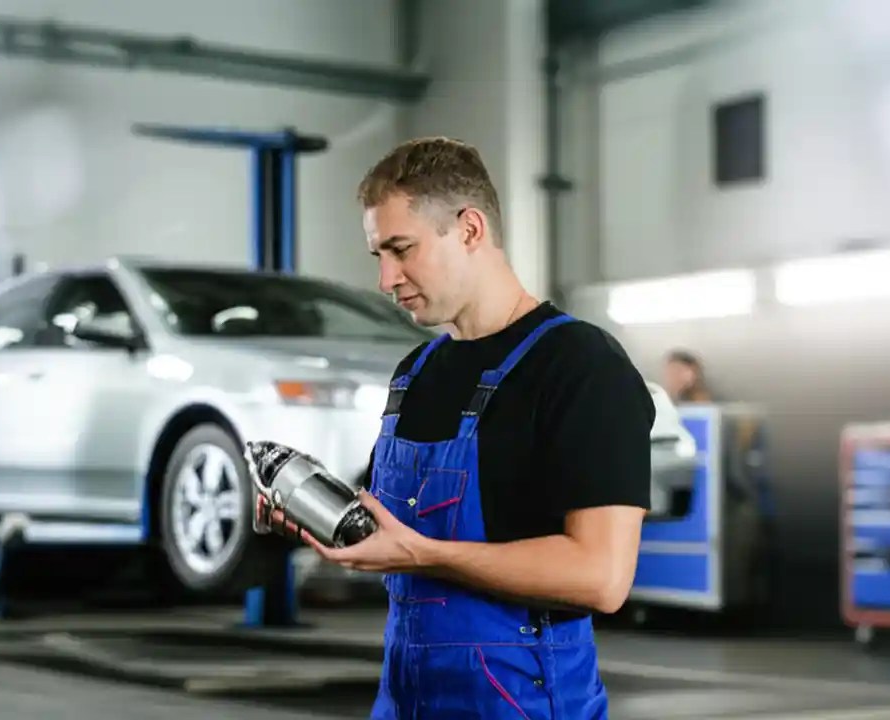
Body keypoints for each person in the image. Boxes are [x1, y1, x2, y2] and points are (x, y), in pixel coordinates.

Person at [261, 137, 654, 719]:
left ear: (469, 229)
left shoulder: (580, 364)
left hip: (524, 703)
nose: (386, 279)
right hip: (405, 699)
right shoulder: (413, 376)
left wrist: (426, 554)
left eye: (402, 249)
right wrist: (312, 518)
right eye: (379, 256)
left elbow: (601, 576)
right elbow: (392, 539)